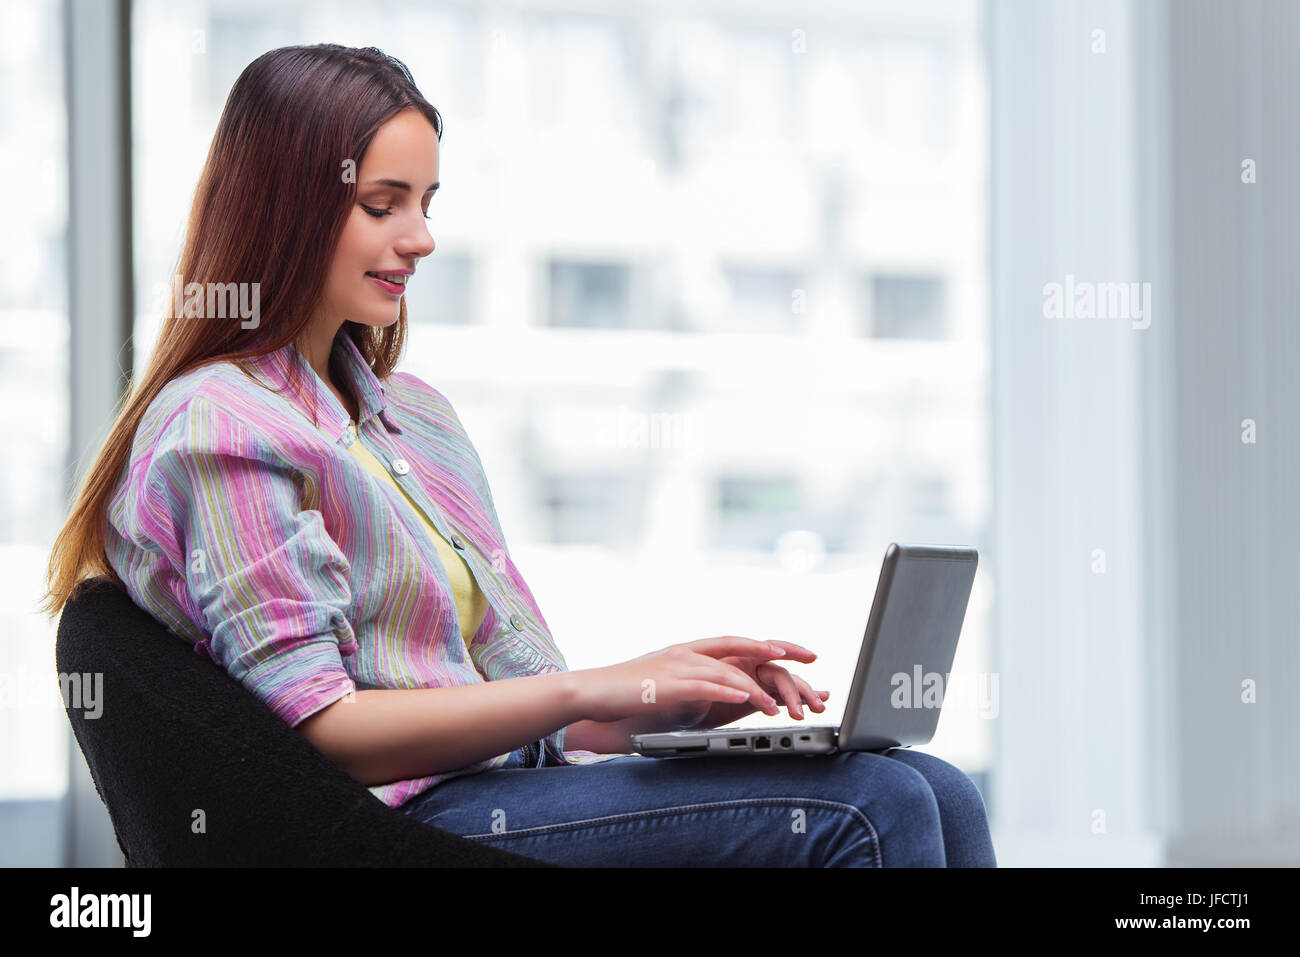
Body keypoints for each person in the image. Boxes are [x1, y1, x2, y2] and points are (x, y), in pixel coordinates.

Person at [41, 43, 995, 867]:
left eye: (426, 201)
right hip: (416, 831)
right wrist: (591, 686)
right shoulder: (221, 425)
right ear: (284, 206)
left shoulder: (414, 418)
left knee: (935, 787)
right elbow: (326, 732)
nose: (420, 238)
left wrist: (659, 698)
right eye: (384, 204)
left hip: (506, 793)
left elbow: (504, 704)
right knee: (878, 806)